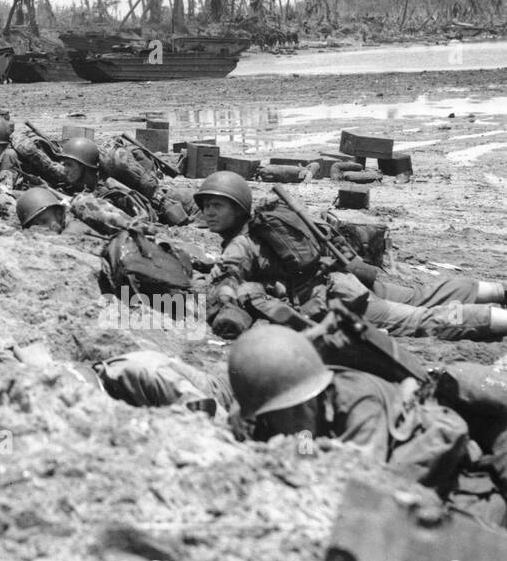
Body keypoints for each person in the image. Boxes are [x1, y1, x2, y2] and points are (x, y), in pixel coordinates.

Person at [227, 326, 506, 519]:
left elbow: (361, 483)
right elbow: (300, 439)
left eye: (296, 407)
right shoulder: (276, 404)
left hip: (446, 474)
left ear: (314, 391)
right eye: (279, 412)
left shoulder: (359, 400)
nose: (289, 419)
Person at [196, 171, 507, 342]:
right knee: (423, 295)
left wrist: (220, 296)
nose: (209, 212)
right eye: (206, 205)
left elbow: (228, 275)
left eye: (217, 206)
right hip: (344, 279)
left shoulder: (240, 244)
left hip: (341, 299)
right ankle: (497, 291)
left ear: (238, 208)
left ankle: (499, 318)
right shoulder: (263, 228)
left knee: (420, 321)